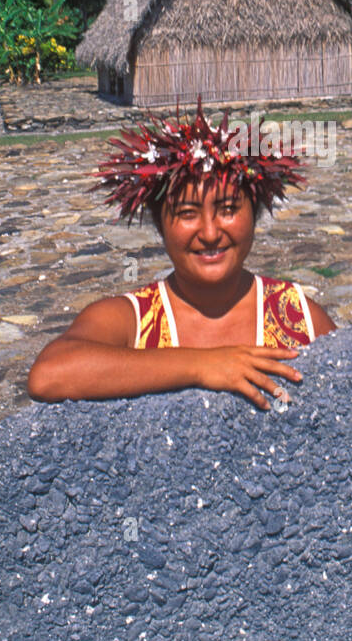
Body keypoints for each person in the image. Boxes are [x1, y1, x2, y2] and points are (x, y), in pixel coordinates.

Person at [27, 100, 335, 410]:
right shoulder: (131, 320)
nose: (210, 233)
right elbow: (50, 375)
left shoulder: (300, 318)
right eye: (187, 213)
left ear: (254, 216)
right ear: (160, 226)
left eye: (228, 210)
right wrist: (204, 366)